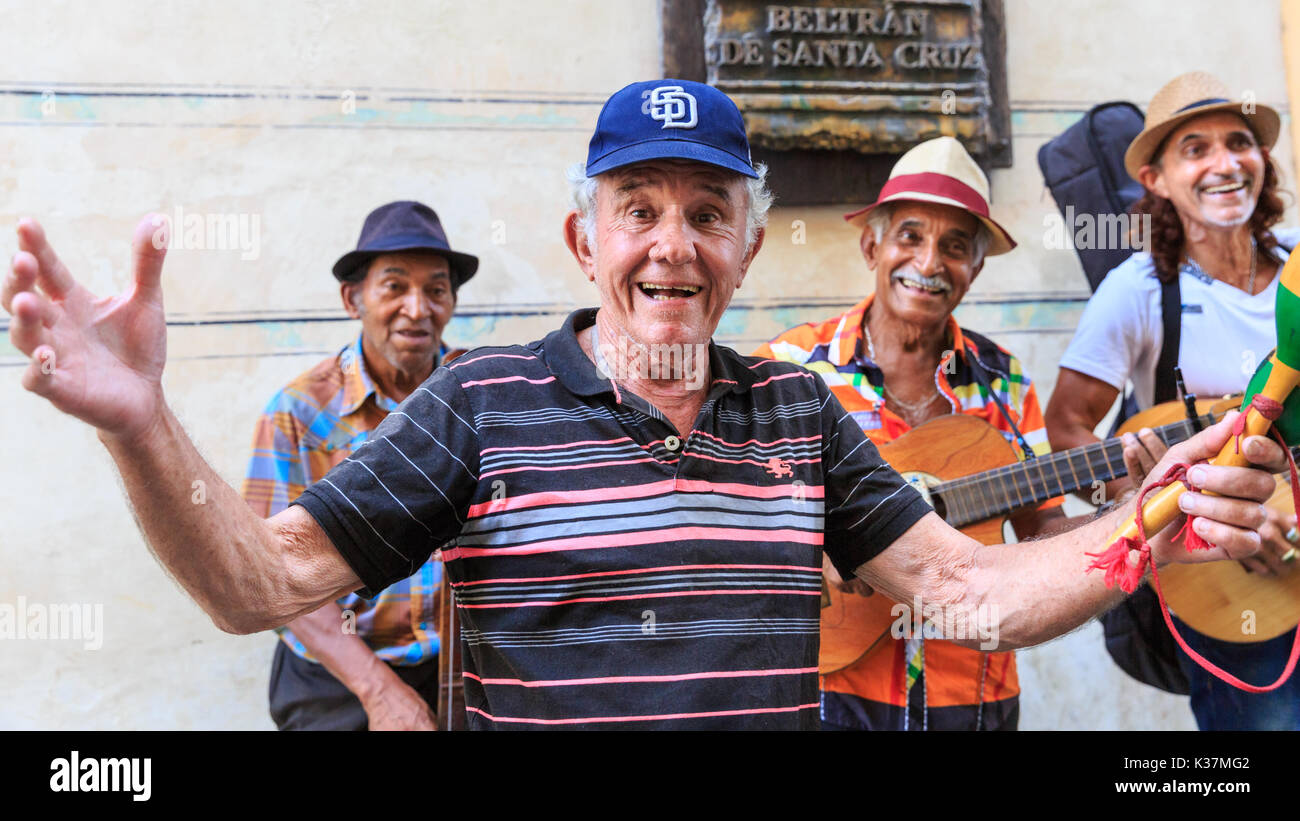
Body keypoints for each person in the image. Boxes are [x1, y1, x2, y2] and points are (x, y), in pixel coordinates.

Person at [3, 78, 1285, 730]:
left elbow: (970, 593)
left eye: (705, 212)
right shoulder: (480, 400)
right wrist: (138, 422)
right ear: (584, 235)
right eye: (640, 209)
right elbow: (255, 586)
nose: (671, 245)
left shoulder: (799, 413)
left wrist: (1157, 524)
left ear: (747, 240)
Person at [756, 137, 1063, 730]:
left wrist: (1136, 508)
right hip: (831, 688)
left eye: (955, 247)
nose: (928, 263)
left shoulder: (1004, 382)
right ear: (872, 243)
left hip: (972, 695)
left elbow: (1042, 530)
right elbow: (729, 509)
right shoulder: (791, 368)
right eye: (910, 236)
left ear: (975, 267)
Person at [1044, 71, 1300, 730]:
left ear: (1262, 160)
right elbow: (1068, 425)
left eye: (1239, 142)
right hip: (1243, 584)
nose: (1225, 162)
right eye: (1196, 148)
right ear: (1156, 179)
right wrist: (1153, 508)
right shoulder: (1137, 290)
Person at [243, 201, 478, 730]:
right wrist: (376, 689)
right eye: (394, 287)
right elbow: (267, 573)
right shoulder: (299, 413)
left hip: (457, 670)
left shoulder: (479, 395)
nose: (417, 308)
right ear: (354, 299)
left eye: (436, 290)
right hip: (336, 674)